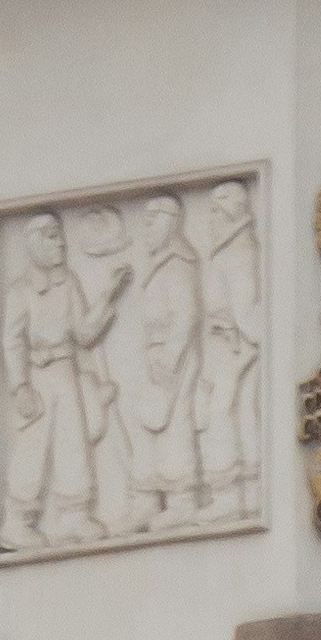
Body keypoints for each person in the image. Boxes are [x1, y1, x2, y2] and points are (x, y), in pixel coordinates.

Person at [0, 205, 123, 548]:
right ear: (35, 244)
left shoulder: (69, 282)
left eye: (61, 238)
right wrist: (20, 386)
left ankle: (75, 515)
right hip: (39, 376)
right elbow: (12, 341)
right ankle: (18, 521)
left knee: (74, 443)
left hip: (67, 372)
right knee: (33, 448)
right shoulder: (20, 291)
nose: (61, 245)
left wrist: (108, 296)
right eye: (53, 239)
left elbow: (84, 334)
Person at [121, 188, 208, 529]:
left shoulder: (178, 263)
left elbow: (187, 314)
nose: (145, 229)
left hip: (174, 355)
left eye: (151, 221)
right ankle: (144, 501)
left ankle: (182, 500)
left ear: (171, 223)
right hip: (156, 355)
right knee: (147, 426)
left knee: (175, 425)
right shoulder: (160, 262)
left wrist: (171, 359)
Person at [195, 179, 262, 519]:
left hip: (234, 348)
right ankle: (246, 494)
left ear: (228, 213)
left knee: (223, 414)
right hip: (230, 345)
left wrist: (249, 336)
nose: (209, 219)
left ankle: (228, 496)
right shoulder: (234, 248)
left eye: (214, 211)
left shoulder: (237, 251)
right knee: (240, 413)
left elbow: (247, 308)